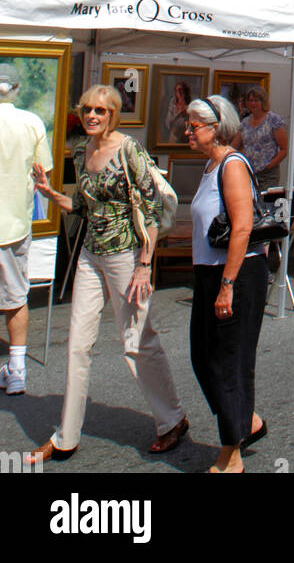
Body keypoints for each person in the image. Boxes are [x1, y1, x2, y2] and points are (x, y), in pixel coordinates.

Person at [27, 85, 187, 463]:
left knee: (136, 340)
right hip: (89, 254)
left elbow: (149, 209)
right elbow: (82, 206)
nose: (93, 116)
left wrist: (145, 265)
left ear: (113, 113)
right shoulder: (82, 150)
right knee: (77, 344)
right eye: (87, 110)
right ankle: (66, 435)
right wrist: (50, 193)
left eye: (100, 110)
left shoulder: (128, 148)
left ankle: (172, 419)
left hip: (126, 256)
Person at [187, 94, 269, 473]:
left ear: (216, 128)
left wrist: (227, 284)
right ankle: (244, 421)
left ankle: (230, 455)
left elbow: (243, 227)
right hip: (208, 273)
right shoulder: (210, 165)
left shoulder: (233, 165)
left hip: (237, 274)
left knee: (228, 363)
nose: (187, 131)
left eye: (194, 125)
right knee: (202, 357)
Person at [0, 64, 53, 396]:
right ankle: (17, 369)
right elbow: (42, 171)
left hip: (13, 221)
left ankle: (16, 369)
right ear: (16, 88)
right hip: (15, 222)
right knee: (16, 296)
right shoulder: (31, 122)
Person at [234, 86, 287, 181]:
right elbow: (234, 146)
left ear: (263, 102)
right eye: (250, 101)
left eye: (256, 101)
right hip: (248, 173)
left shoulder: (274, 120)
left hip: (267, 175)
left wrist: (269, 166)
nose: (253, 103)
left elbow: (284, 150)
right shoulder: (245, 122)